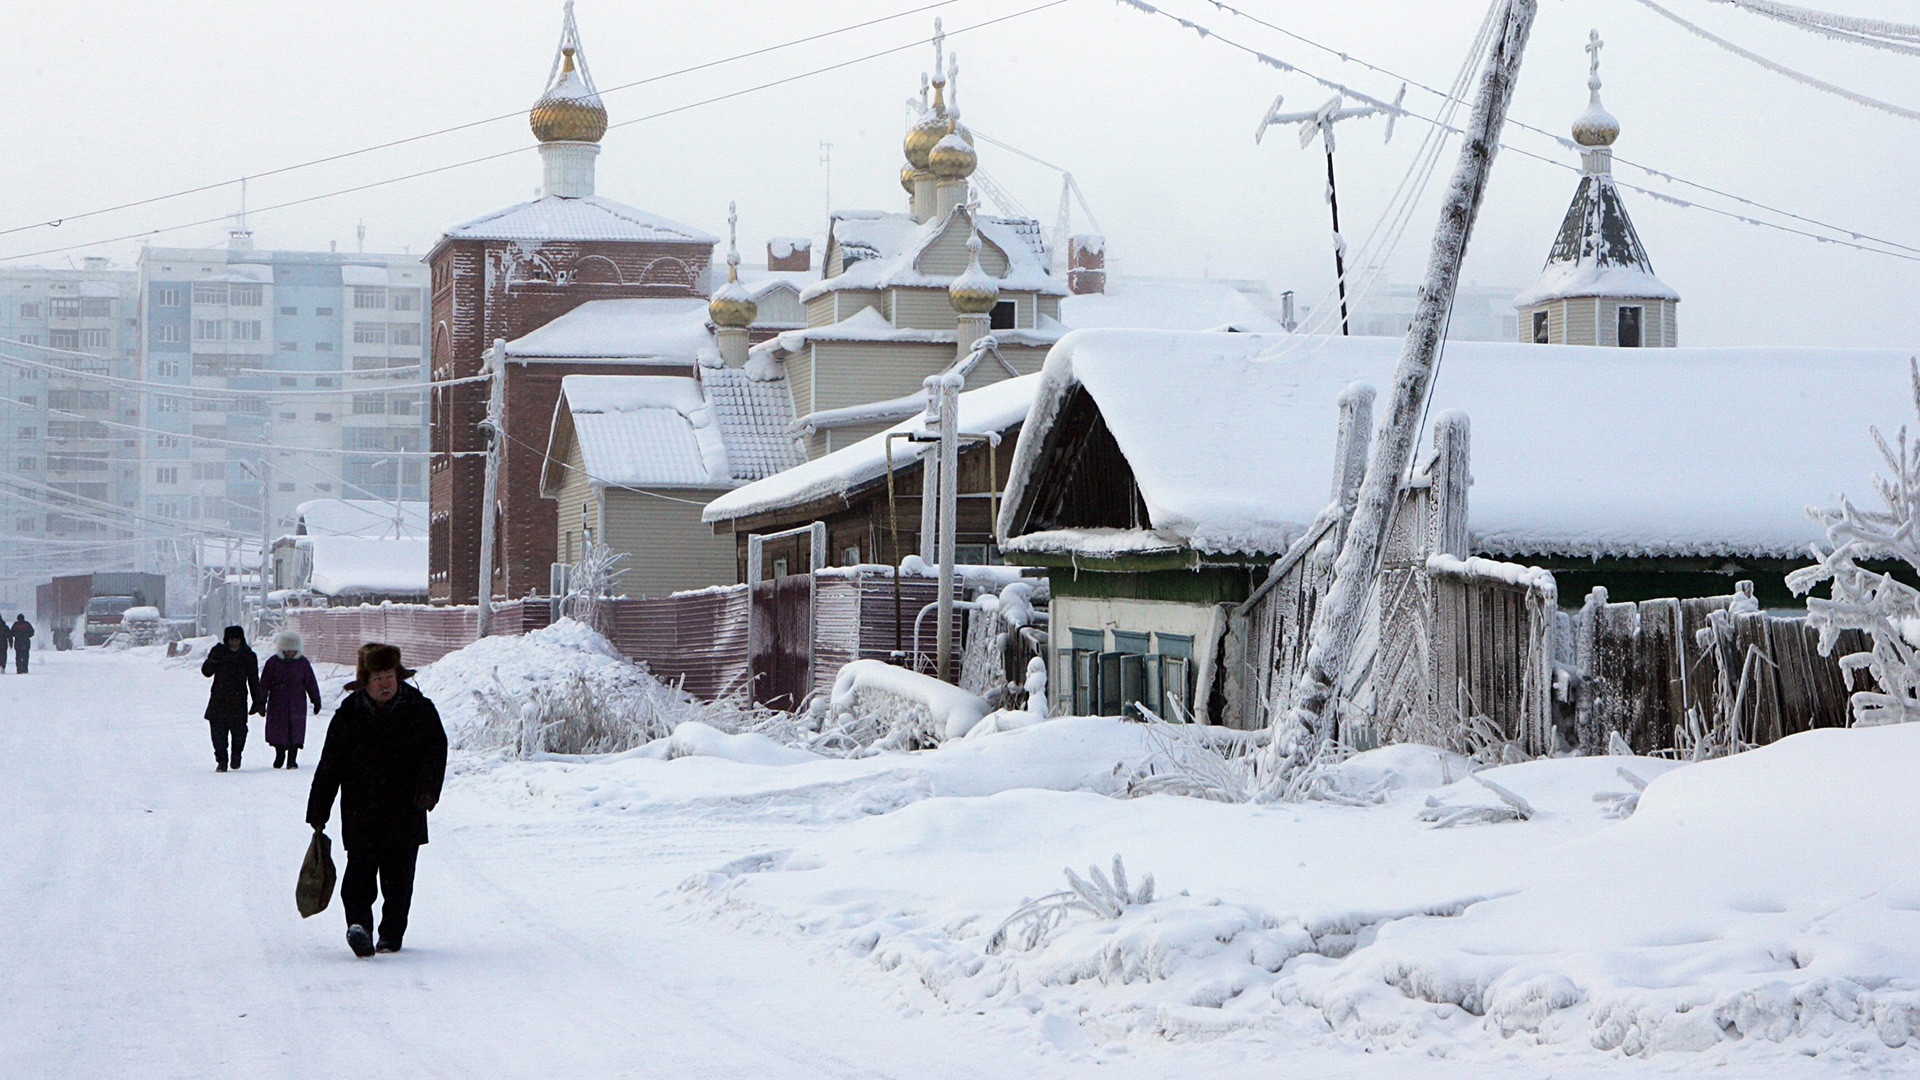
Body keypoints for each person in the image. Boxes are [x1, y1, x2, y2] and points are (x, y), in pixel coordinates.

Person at [306, 643, 447, 958]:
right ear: (365, 681)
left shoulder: (419, 709)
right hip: (361, 809)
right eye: (378, 678)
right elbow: (330, 765)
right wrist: (318, 808)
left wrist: (428, 790)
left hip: (406, 809)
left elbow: (436, 752)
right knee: (359, 875)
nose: (386, 683)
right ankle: (359, 927)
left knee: (399, 880)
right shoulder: (348, 714)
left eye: (390, 676)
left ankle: (391, 935)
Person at [259, 629, 322, 770]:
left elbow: (310, 682)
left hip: (297, 703)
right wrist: (261, 702)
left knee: (296, 731)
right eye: (287, 650)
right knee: (278, 731)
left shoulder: (303, 663)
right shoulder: (273, 663)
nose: (290, 653)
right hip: (277, 703)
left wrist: (316, 699)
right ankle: (280, 754)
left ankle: (292, 759)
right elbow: (264, 683)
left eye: (293, 650)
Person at [201, 626, 261, 772]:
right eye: (231, 640)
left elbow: (253, 680)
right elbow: (206, 672)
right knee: (218, 734)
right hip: (219, 699)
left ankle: (236, 755)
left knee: (240, 733)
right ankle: (221, 760)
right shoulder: (219, 652)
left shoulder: (248, 656)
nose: (234, 643)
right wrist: (213, 660)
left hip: (238, 700)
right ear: (226, 640)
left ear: (241, 640)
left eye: (237, 640)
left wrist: (258, 701)